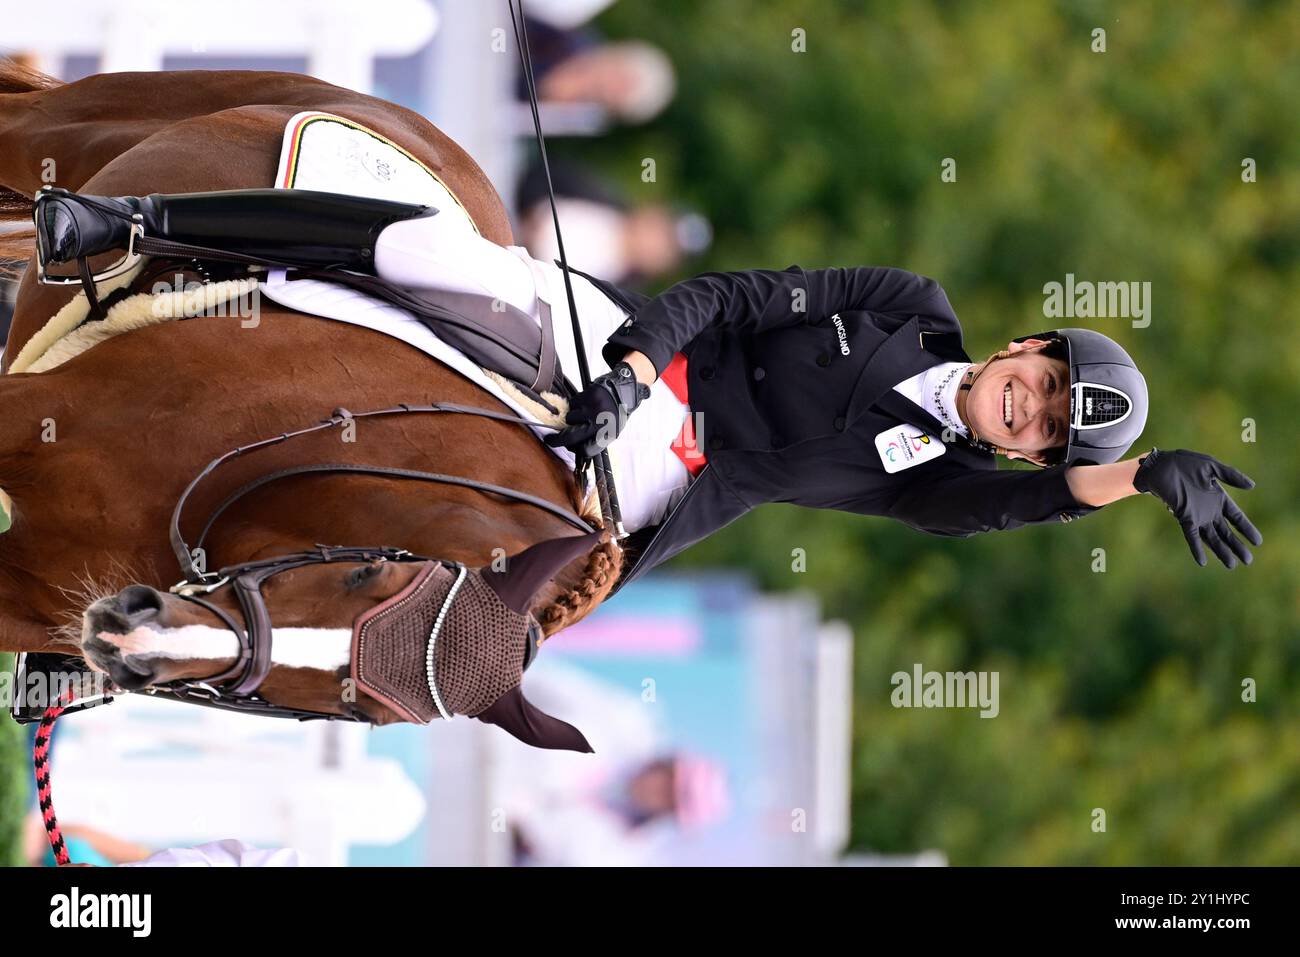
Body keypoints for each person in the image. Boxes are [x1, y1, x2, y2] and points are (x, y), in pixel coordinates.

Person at [36, 189, 1262, 588]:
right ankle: (135, 224)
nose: (1029, 414)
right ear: (1025, 350)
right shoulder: (907, 301)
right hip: (636, 351)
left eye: (1046, 432)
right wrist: (631, 369)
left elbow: (1027, 512)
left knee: (453, 616)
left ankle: (134, 634)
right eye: (1044, 388)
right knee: (431, 249)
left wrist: (1147, 477)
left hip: (668, 479)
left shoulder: (948, 487)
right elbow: (733, 299)